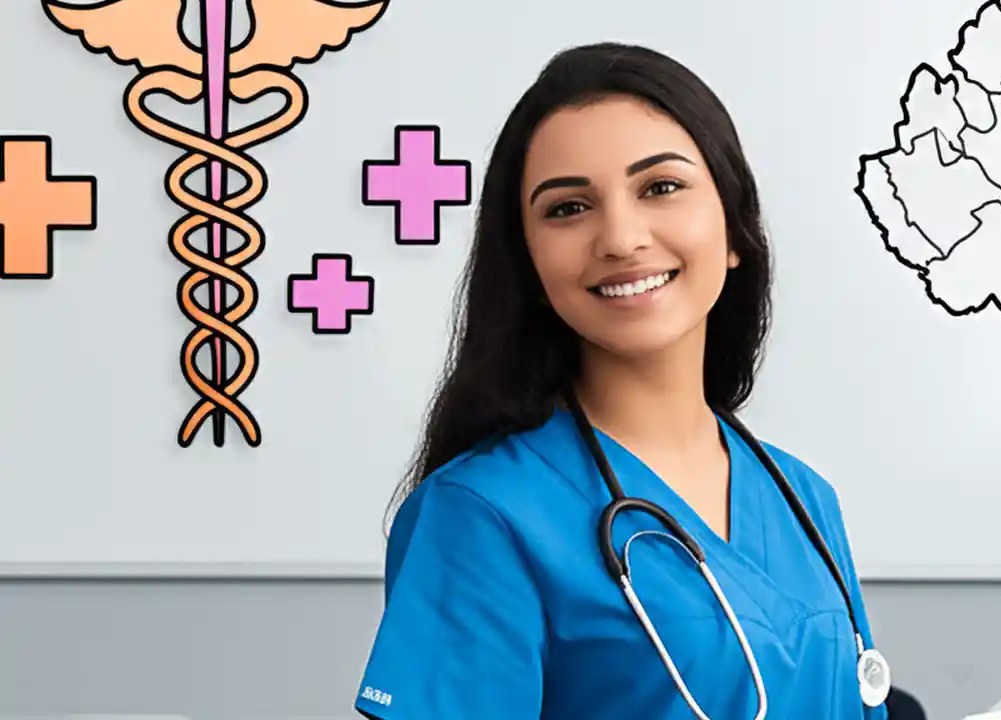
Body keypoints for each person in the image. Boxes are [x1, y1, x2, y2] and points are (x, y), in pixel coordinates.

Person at [353, 41, 889, 720]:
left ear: (732, 230)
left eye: (660, 188)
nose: (620, 237)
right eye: (568, 208)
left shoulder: (805, 499)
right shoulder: (482, 515)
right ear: (530, 266)